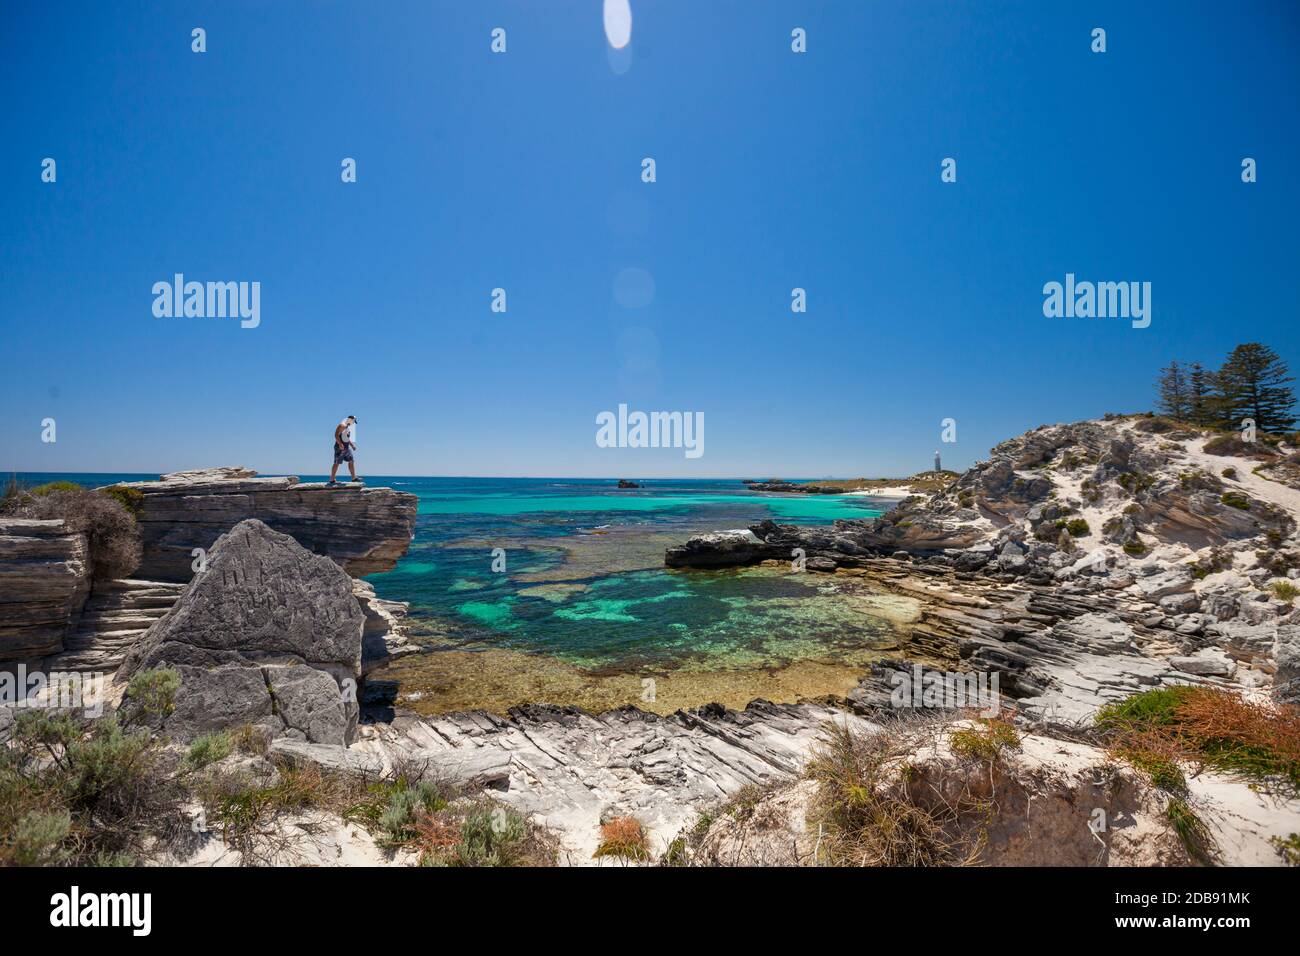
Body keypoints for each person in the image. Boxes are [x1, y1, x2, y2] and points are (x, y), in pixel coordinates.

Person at [328, 415, 361, 485]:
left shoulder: (347, 427)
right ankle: (332, 479)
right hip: (339, 447)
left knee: (351, 460)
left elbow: (346, 438)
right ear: (350, 420)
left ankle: (353, 478)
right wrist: (340, 444)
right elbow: (336, 435)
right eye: (353, 421)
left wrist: (352, 445)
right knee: (337, 463)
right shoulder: (342, 425)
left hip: (346, 448)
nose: (353, 423)